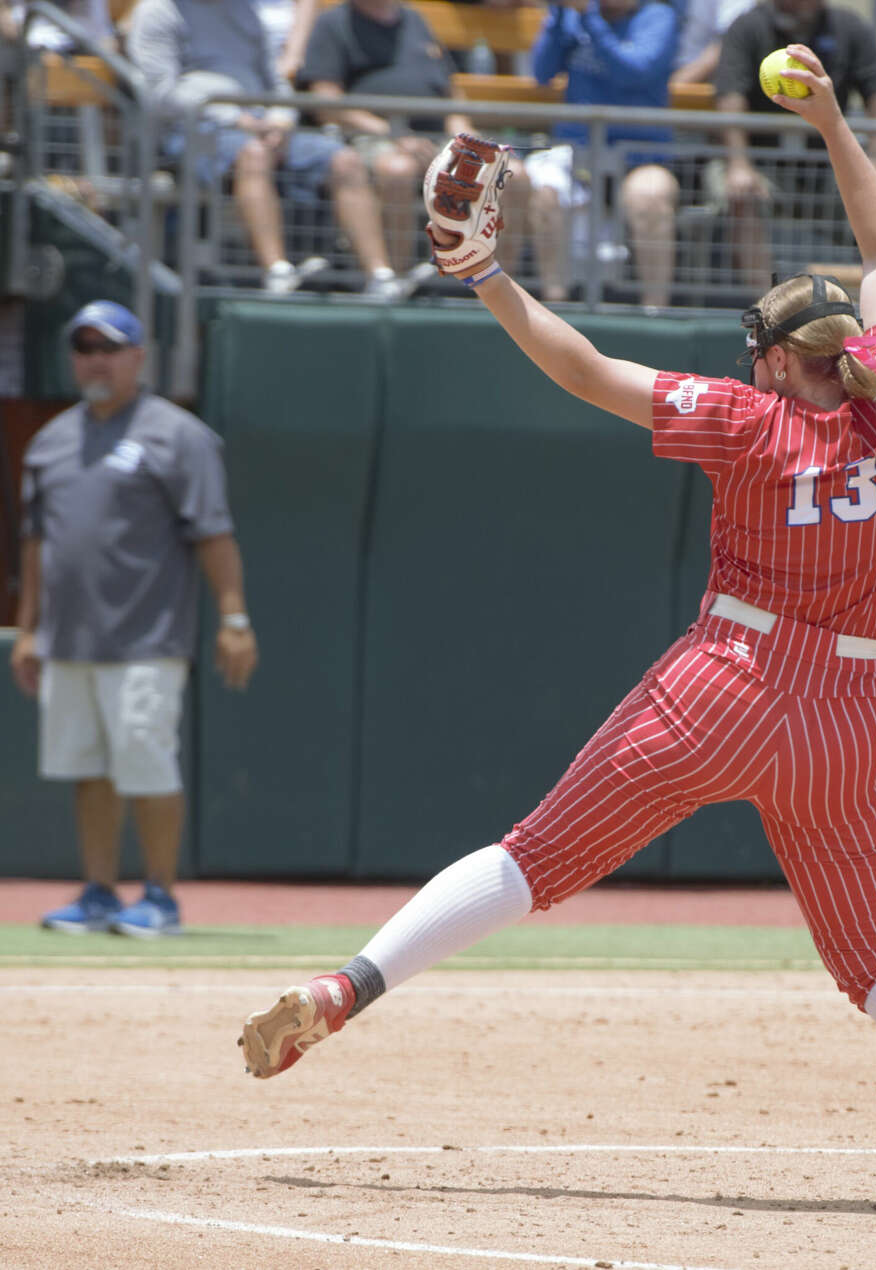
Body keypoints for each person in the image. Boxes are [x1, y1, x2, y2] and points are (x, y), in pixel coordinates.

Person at [239, 46, 876, 1227]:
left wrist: (483, 272)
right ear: (846, 355)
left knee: (532, 857)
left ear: (773, 359)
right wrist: (838, 121)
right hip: (847, 717)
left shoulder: (749, 420)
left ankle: (348, 987)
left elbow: (583, 367)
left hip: (728, 683)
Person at [11, 301, 258, 937]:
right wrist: (30, 627)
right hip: (69, 640)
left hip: (146, 639)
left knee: (146, 765)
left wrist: (233, 616)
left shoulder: (177, 435)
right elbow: (37, 542)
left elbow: (213, 532)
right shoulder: (50, 441)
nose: (95, 358)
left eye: (108, 347)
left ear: (138, 357)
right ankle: (97, 892)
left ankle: (160, 896)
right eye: (84, 347)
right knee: (86, 770)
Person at [128, 0, 406, 297]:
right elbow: (159, 94)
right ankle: (278, 273)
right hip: (195, 129)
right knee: (255, 154)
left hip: (261, 123)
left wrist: (282, 118)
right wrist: (235, 117)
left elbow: (274, 79)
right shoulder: (156, 10)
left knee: (345, 159)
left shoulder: (243, 9)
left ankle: (380, 276)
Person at [296, 0, 530, 281]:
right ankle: (396, 279)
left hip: (434, 136)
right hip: (372, 135)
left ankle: (498, 284)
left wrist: (464, 132)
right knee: (397, 170)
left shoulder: (415, 20)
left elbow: (450, 90)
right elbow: (325, 101)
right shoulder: (333, 23)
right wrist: (392, 132)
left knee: (512, 173)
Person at [715, 0, 876, 290]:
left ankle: (870, 308)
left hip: (828, 163)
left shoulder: (847, 25)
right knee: (742, 195)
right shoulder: (748, 26)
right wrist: (739, 163)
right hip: (763, 163)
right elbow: (729, 96)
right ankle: (767, 312)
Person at [527, 0, 680, 307]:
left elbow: (634, 70)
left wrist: (591, 20)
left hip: (639, 156)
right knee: (545, 192)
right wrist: (557, 16)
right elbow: (542, 72)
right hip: (577, 153)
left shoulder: (658, 17)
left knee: (650, 196)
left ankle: (656, 311)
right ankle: (556, 307)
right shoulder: (573, 16)